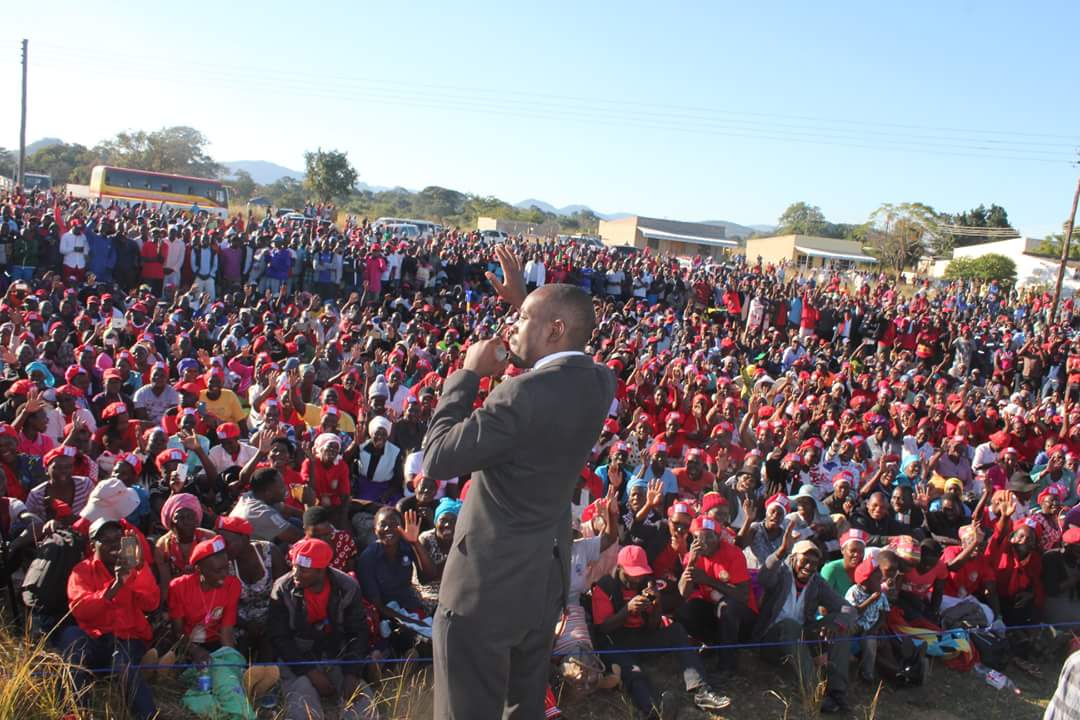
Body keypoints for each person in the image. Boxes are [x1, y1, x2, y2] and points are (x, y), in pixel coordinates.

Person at [422, 249, 618, 719]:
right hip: (540, 582)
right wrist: (525, 303)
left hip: (485, 588)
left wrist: (467, 373)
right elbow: (563, 348)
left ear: (552, 330)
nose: (514, 325)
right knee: (522, 706)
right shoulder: (600, 382)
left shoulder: (518, 393)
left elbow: (436, 457)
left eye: (524, 318)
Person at [591, 544, 731, 715]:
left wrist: (657, 606)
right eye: (632, 574)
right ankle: (654, 710)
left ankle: (701, 690)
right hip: (616, 643)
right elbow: (602, 628)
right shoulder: (605, 586)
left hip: (642, 637)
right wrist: (627, 610)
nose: (636, 579)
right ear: (619, 568)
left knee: (677, 631)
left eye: (640, 574)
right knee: (634, 673)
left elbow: (653, 626)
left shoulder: (646, 584)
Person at [62, 518, 160, 720]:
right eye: (105, 539)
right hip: (93, 639)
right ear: (92, 545)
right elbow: (80, 609)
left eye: (118, 537)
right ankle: (75, 714)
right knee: (72, 642)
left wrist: (135, 571)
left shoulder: (137, 567)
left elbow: (151, 604)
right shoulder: (81, 570)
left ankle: (148, 716)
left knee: (122, 662)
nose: (114, 543)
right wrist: (115, 586)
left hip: (127, 638)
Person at [268, 537, 374, 720]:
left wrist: (352, 672)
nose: (296, 573)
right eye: (294, 566)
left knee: (364, 706)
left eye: (303, 569)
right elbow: (280, 638)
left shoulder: (347, 587)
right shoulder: (282, 589)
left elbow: (358, 632)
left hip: (337, 656)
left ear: (321, 570)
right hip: (297, 658)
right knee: (304, 709)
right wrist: (310, 671)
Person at [754, 522, 853, 714]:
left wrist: (836, 624)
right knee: (790, 625)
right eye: (804, 560)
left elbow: (847, 609)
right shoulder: (782, 573)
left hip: (800, 639)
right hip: (771, 640)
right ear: (793, 559)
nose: (809, 566)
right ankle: (814, 692)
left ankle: (838, 690)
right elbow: (763, 578)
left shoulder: (817, 582)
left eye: (814, 563)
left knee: (840, 627)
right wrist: (781, 550)